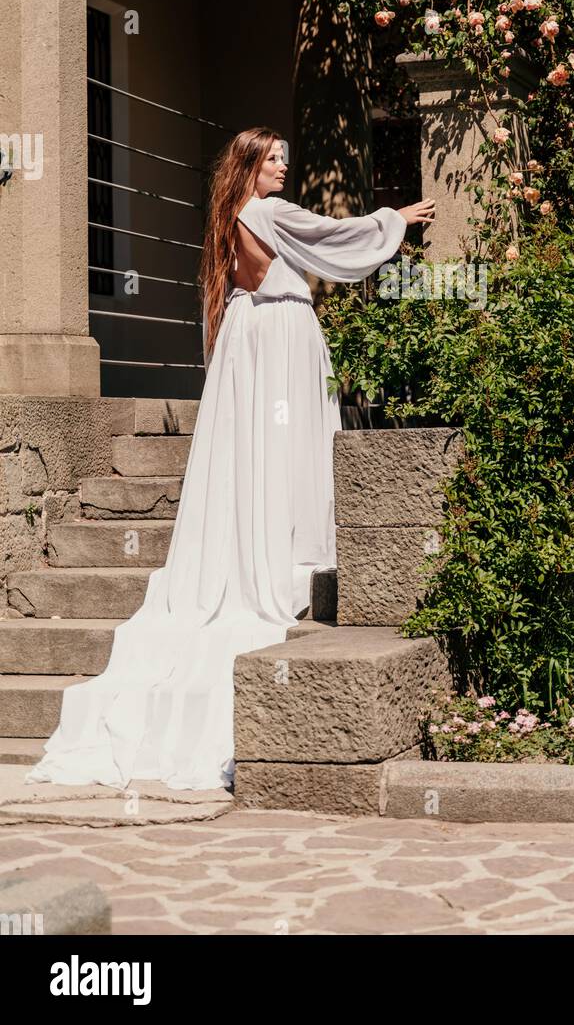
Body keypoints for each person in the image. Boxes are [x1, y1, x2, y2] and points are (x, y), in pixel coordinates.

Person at [25, 127, 435, 791]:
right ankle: (290, 549)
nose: (282, 169)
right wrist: (397, 219)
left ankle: (267, 542)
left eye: (284, 160)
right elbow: (333, 237)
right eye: (273, 159)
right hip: (278, 334)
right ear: (248, 164)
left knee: (265, 452)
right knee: (287, 448)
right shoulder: (266, 211)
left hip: (256, 336)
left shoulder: (230, 218)